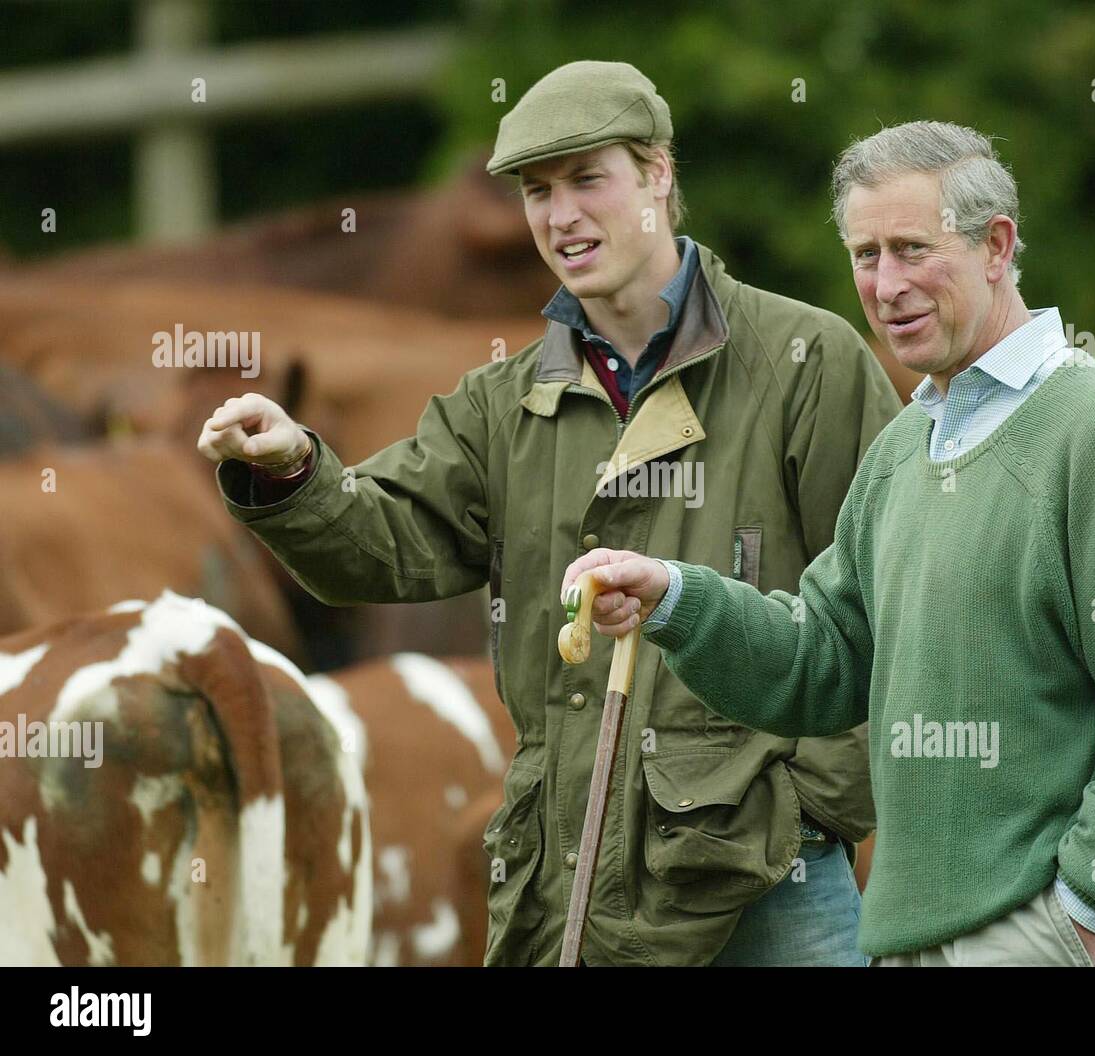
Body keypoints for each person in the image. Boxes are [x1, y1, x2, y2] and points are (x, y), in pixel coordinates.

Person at [196, 60, 901, 966]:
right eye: (536, 191)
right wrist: (295, 470)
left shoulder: (809, 362)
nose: (559, 216)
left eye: (586, 180)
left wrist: (805, 811)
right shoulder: (502, 400)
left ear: (658, 175)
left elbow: (893, 595)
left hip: (768, 892)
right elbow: (382, 546)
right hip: (563, 879)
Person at [561, 121, 1095, 967]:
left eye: (913, 248)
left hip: (1048, 940)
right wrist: (676, 596)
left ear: (997, 246)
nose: (886, 284)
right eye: (865, 254)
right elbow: (822, 658)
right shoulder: (907, 448)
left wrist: (1081, 912)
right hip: (908, 941)